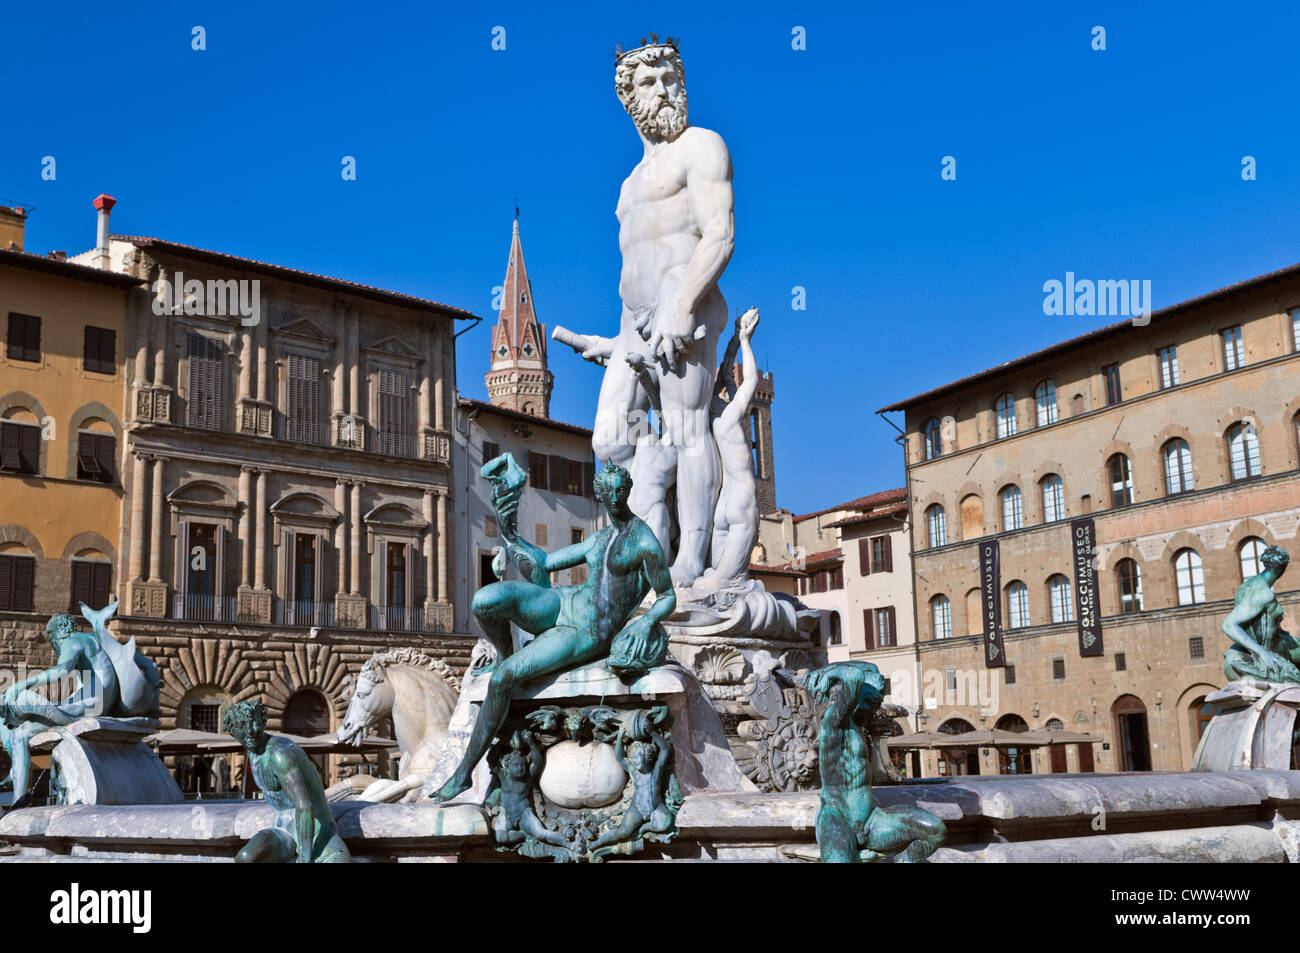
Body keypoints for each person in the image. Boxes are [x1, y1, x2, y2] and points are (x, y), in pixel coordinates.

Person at [433, 461, 677, 802]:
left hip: (585, 631)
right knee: (485, 600)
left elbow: (668, 596)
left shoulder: (645, 542)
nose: (616, 497)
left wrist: (647, 621)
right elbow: (545, 563)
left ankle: (462, 774)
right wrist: (510, 533)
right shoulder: (600, 538)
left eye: (621, 490)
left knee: (503, 678)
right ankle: (506, 651)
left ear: (628, 490)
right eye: (609, 492)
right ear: (601, 494)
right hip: (563, 602)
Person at [590, 39, 736, 587]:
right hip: (633, 325)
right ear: (629, 98)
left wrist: (681, 302)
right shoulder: (628, 186)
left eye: (672, 79)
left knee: (686, 429)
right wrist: (615, 339)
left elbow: (720, 235)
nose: (665, 90)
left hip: (687, 306)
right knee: (611, 439)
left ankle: (689, 563)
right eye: (650, 83)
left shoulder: (701, 146)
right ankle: (641, 551)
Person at [221, 700, 350, 863]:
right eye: (241, 725)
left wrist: (304, 859)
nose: (250, 731)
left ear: (263, 723)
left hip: (318, 830)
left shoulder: (279, 753)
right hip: (284, 829)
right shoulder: (253, 753)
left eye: (254, 724)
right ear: (232, 731)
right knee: (245, 858)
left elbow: (304, 807)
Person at [1223, 545, 1297, 682]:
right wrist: (1261, 652)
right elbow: (1228, 625)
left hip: (1280, 642)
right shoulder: (1263, 592)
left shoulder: (1248, 585)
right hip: (1273, 650)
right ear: (1282, 568)